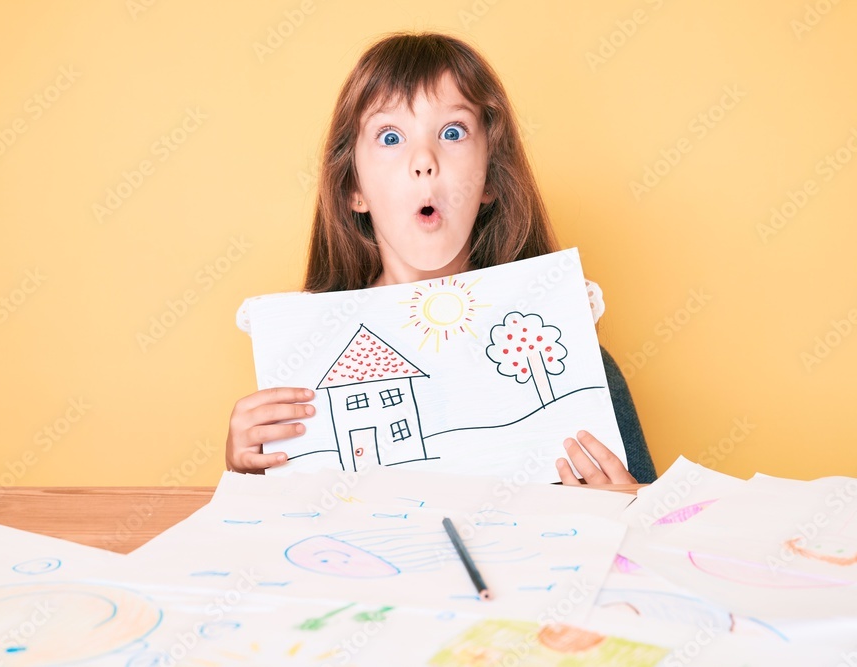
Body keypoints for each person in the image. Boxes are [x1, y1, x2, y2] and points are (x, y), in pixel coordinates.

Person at [226, 32, 656, 485]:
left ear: (490, 177)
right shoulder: (305, 374)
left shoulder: (579, 366)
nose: (423, 160)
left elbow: (654, 533)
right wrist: (243, 469)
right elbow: (273, 540)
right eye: (390, 136)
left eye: (452, 132)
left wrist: (628, 502)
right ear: (353, 188)